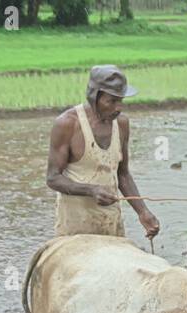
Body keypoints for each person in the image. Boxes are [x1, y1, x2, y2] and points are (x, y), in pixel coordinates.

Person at [46, 65, 161, 239]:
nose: (118, 107)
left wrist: (143, 212)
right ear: (94, 97)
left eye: (121, 100)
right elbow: (53, 178)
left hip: (110, 220)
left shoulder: (121, 124)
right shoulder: (68, 124)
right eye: (111, 101)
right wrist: (91, 190)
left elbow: (123, 174)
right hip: (75, 224)